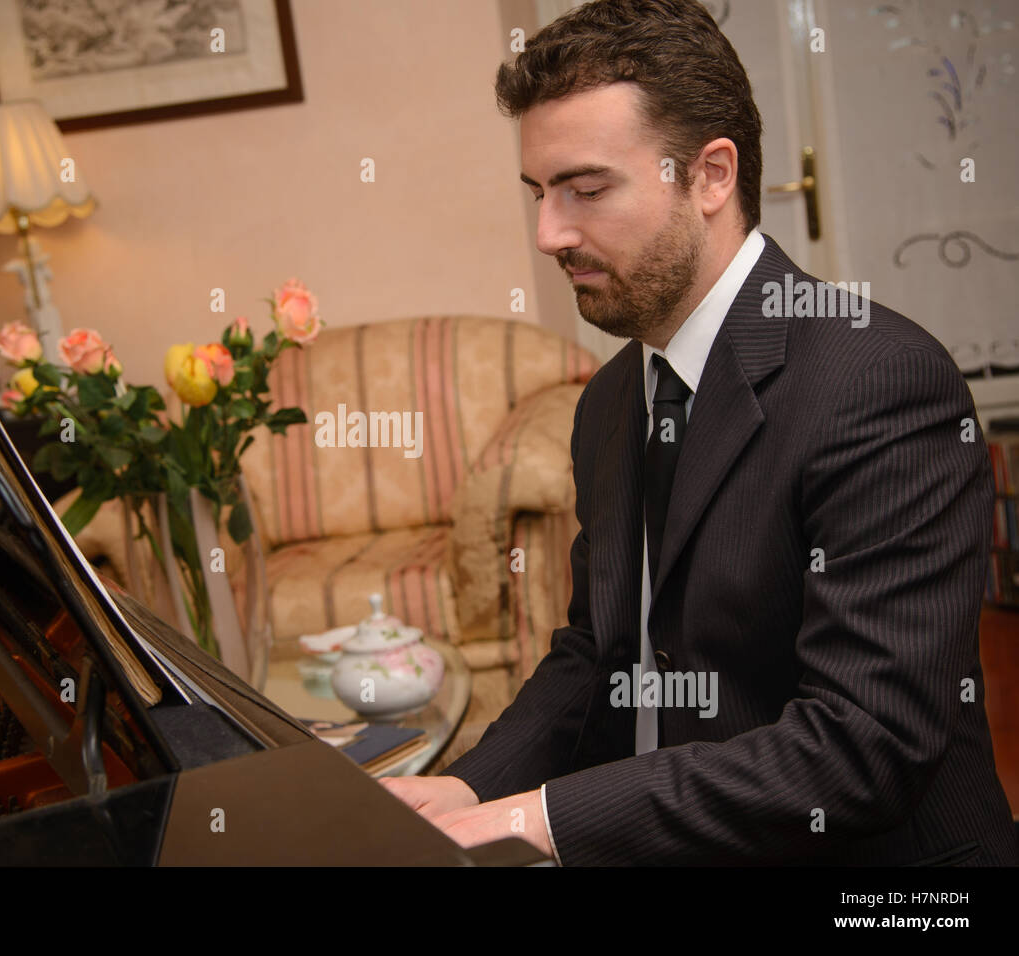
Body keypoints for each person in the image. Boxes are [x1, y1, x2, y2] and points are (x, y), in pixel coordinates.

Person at [382, 0, 1018, 866]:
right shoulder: (611, 400)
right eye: (539, 193)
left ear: (711, 175)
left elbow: (861, 747)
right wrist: (471, 786)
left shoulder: (879, 381)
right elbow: (598, 653)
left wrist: (540, 819)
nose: (548, 234)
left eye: (587, 189)